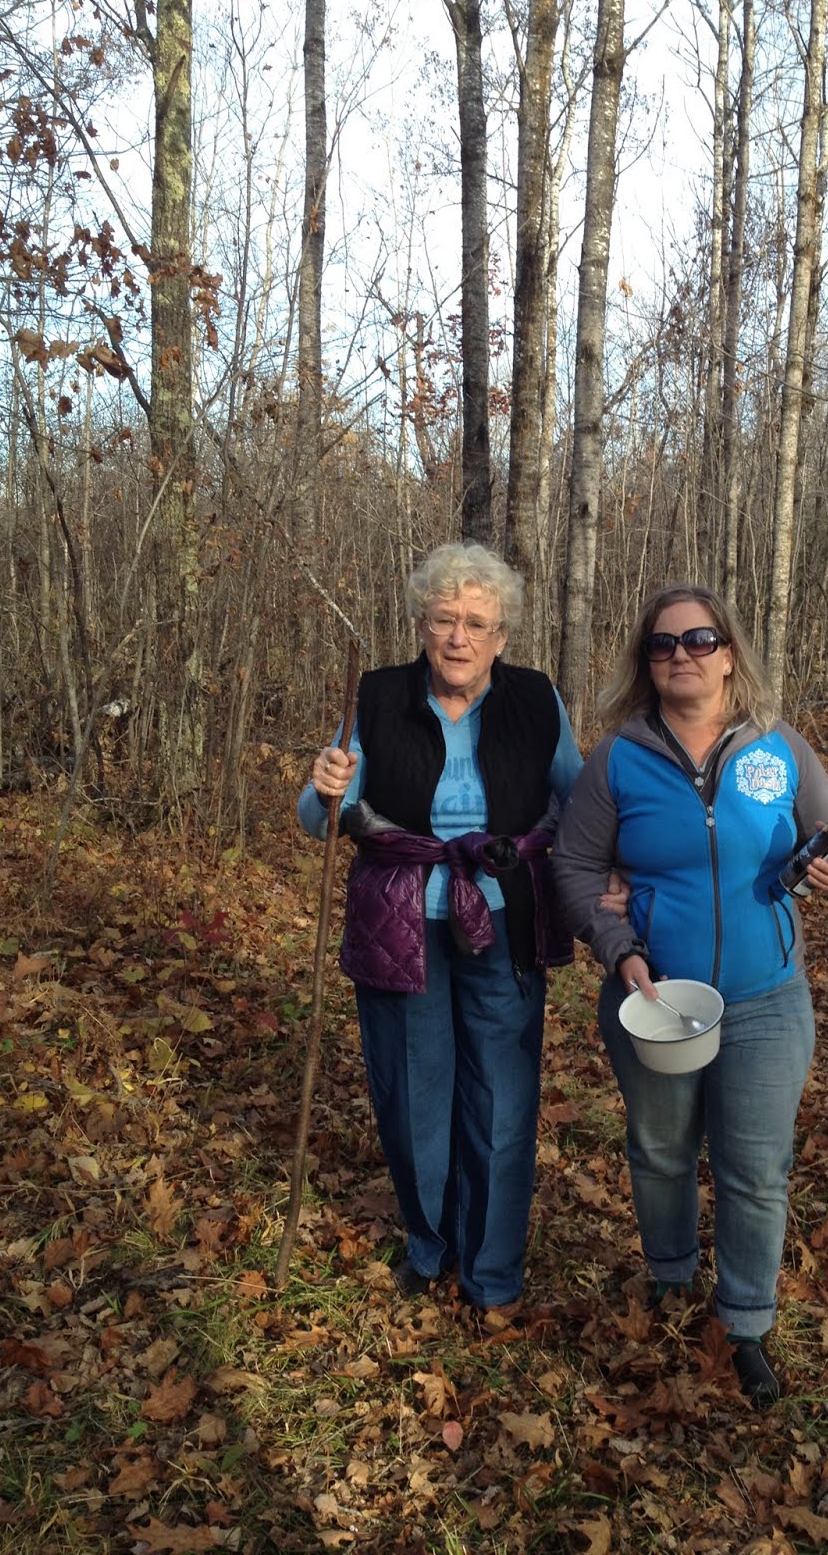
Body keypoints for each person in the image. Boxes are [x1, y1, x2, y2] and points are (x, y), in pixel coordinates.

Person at [551, 583, 828, 1405]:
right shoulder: (617, 759)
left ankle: (744, 1322)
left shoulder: (778, 746)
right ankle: (669, 1278)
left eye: (697, 640)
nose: (680, 655)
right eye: (662, 644)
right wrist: (616, 946)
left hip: (766, 998)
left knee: (754, 1167)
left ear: (727, 654)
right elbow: (573, 865)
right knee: (660, 1151)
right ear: (644, 662)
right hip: (657, 998)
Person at [297, 542, 583, 1312]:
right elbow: (316, 818)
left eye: (476, 623)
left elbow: (581, 797)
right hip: (400, 921)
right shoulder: (377, 695)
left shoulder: (536, 699)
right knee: (413, 1097)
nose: (459, 637)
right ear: (421, 624)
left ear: (501, 635)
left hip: (505, 919)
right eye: (444, 619)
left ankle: (491, 1271)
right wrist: (324, 786)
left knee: (501, 1100)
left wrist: (631, 867)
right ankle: (429, 1247)